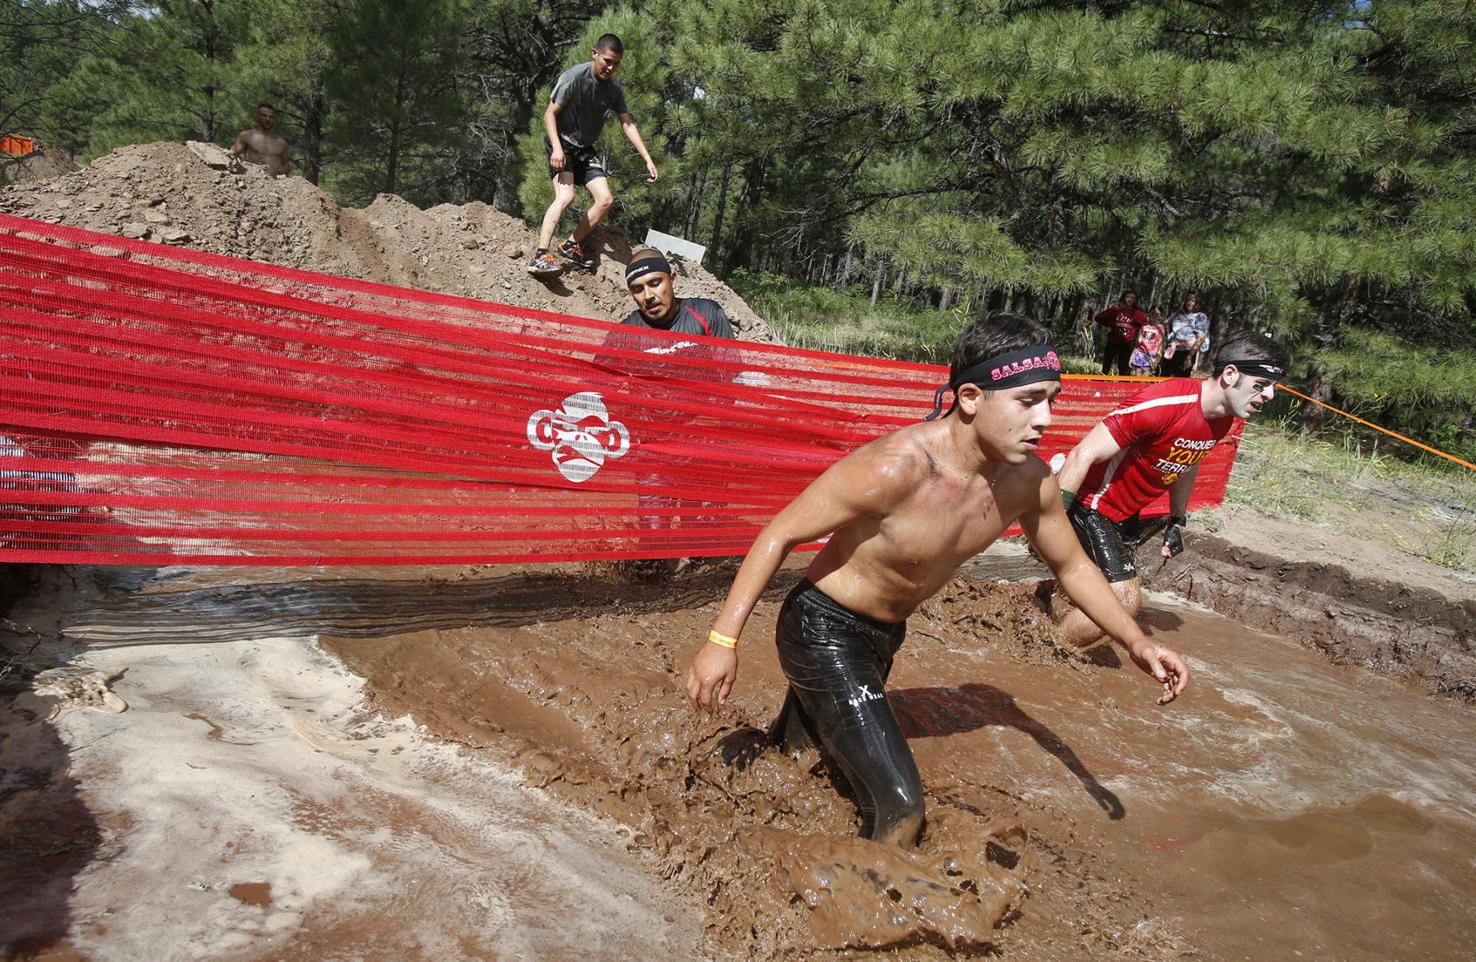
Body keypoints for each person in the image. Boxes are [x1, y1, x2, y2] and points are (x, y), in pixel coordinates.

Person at [684, 311, 1190, 847]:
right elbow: (778, 534)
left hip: (883, 636)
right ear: (970, 398)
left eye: (1052, 401)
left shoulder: (1028, 482)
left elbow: (1072, 566)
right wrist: (721, 642)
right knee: (901, 807)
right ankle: (851, 916)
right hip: (821, 628)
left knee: (797, 758)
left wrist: (1135, 640)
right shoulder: (897, 467)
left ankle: (707, 792)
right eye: (1027, 400)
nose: (1044, 418)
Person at [1052, 332, 1287, 651]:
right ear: (1230, 375)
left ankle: (1045, 606)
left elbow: (1189, 463)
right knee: (1123, 600)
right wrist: (1052, 517)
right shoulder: (1164, 404)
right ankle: (1047, 651)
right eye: (1261, 384)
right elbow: (1084, 453)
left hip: (1124, 515)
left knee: (1099, 591)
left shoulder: (1222, 420)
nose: (1270, 395)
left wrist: (1178, 520)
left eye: (1272, 387)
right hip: (1091, 506)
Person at [528, 34, 659, 276]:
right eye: (607, 61)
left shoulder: (614, 89)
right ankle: (540, 256)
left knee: (606, 200)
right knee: (566, 196)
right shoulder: (574, 77)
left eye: (616, 63)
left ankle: (569, 245)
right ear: (594, 53)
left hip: (584, 149)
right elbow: (549, 114)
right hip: (563, 144)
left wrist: (647, 158)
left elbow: (627, 123)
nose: (611, 67)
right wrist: (556, 147)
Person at [621, 249, 734, 337]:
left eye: (655, 283)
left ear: (673, 281)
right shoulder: (624, 334)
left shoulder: (708, 314)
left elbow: (730, 365)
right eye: (637, 289)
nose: (648, 296)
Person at [1094, 291, 1147, 376]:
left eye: (1133, 298)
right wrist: (1110, 323)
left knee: (1124, 367)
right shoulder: (1115, 310)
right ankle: (1101, 384)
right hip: (1112, 341)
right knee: (1106, 365)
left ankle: (1123, 386)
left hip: (1127, 343)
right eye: (1128, 297)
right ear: (1123, 298)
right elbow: (1099, 317)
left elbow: (1145, 324)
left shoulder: (1137, 313)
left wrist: (1137, 330)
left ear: (1136, 300)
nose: (1130, 299)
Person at [230, 103, 291, 176]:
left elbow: (286, 164)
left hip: (273, 184)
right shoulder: (246, 136)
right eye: (264, 116)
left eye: (271, 117)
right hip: (252, 182)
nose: (267, 119)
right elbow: (231, 154)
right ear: (257, 116)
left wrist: (280, 172)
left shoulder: (282, 143)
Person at [1162, 293, 1210, 377]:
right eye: (1188, 300)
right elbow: (1166, 323)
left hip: (1187, 351)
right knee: (1164, 377)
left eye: (1193, 301)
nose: (1189, 303)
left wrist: (1190, 357)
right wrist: (1168, 337)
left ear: (1197, 303)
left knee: (1181, 380)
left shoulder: (1200, 316)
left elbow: (1200, 338)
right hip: (1173, 350)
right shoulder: (1178, 314)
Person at [1130, 306, 1165, 376]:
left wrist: (1158, 358)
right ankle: (1136, 387)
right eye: (1152, 313)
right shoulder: (1144, 326)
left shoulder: (1161, 328)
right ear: (1149, 314)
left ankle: (1144, 387)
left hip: (1151, 354)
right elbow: (1138, 343)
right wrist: (1132, 356)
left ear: (1160, 316)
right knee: (1137, 374)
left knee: (1146, 374)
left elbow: (1161, 344)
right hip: (1140, 353)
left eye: (1157, 314)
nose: (1154, 316)